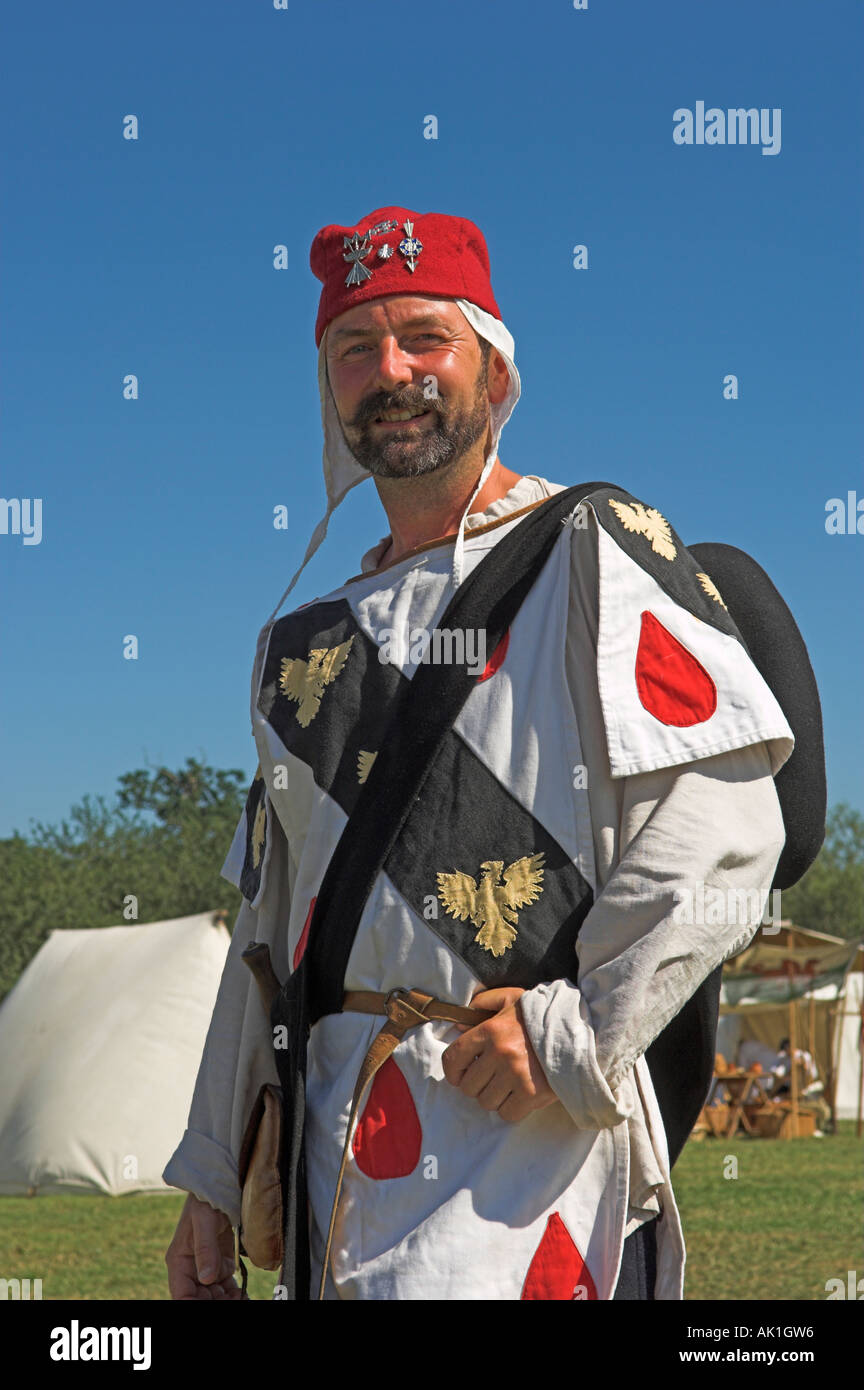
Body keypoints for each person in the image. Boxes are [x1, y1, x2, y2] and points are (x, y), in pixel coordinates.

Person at [163, 205, 794, 1301]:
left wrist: (573, 1035)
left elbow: (730, 818)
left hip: (529, 1152)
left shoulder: (594, 550)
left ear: (492, 370)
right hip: (335, 1153)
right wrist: (213, 1175)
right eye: (355, 349)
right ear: (330, 390)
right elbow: (268, 932)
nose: (391, 370)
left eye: (423, 337)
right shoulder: (297, 646)